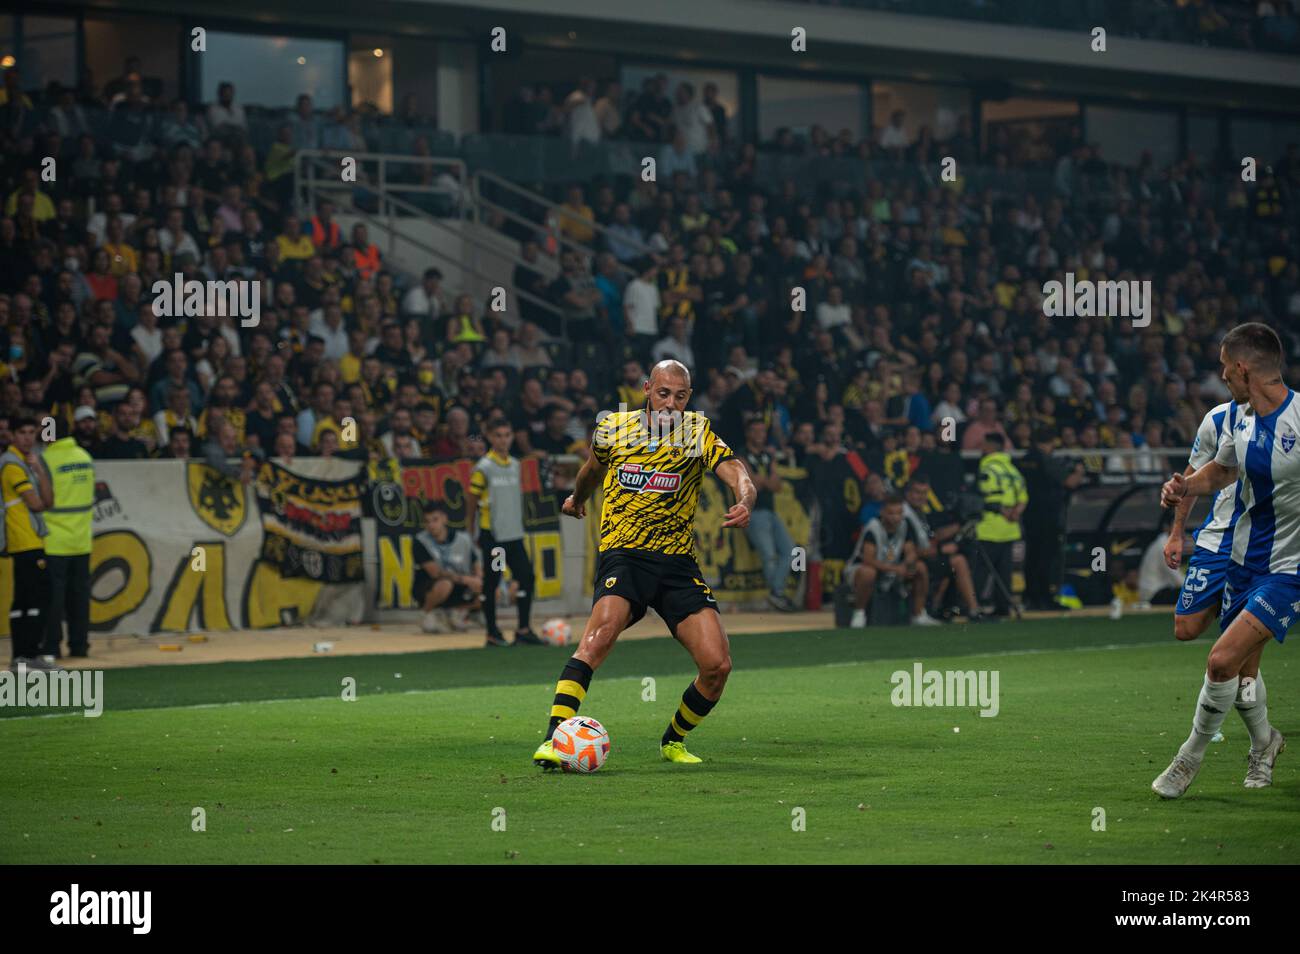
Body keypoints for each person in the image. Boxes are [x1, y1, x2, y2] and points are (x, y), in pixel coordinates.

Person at [531, 360, 755, 769]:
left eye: (680, 396)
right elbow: (592, 470)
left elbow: (735, 469)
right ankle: (552, 739)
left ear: (689, 397)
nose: (671, 403)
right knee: (597, 638)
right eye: (663, 393)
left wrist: (745, 497)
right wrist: (578, 499)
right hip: (625, 555)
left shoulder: (696, 433)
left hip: (676, 564)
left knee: (717, 666)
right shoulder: (614, 428)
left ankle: (673, 740)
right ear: (647, 389)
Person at [1154, 324, 1291, 798]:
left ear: (1243, 368)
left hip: (1288, 570)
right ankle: (1265, 744)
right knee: (1230, 663)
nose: (1221, 375)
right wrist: (1183, 487)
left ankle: (1187, 759)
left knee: (1222, 660)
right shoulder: (1241, 421)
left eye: (1224, 366)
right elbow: (1221, 471)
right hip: (1240, 560)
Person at [1164, 401, 1245, 639]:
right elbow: (1190, 479)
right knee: (1185, 627)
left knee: (1241, 625)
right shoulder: (1218, 419)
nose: (1226, 381)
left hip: (1262, 538)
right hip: (1219, 537)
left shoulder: (1290, 415)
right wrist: (1177, 533)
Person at [467, 418, 541, 647]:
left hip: (514, 535)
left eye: (507, 435)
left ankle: (523, 629)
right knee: (493, 581)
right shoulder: (484, 467)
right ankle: (492, 632)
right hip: (494, 537)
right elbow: (472, 499)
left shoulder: (515, 465)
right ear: (490, 437)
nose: (503, 440)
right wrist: (472, 529)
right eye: (498, 435)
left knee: (526, 577)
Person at [40, 416, 95, 661]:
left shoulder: (45, 460)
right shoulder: (85, 457)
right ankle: (80, 646)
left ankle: (51, 647)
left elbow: (42, 499)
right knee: (79, 598)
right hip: (82, 539)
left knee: (53, 599)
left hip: (54, 541)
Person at [2, 418, 54, 670]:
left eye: (32, 432)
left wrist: (40, 471)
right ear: (12, 435)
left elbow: (49, 501)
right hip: (24, 539)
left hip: (26, 539)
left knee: (25, 600)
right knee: (35, 599)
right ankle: (29, 655)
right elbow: (38, 504)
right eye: (22, 432)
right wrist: (39, 475)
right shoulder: (12, 465)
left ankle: (23, 657)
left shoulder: (25, 463)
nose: (28, 438)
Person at [842, 494, 936, 629]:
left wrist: (906, 566)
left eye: (899, 513)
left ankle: (918, 614)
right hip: (860, 569)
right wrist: (896, 569)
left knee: (920, 567)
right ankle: (859, 613)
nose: (896, 517)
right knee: (868, 573)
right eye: (891, 513)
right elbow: (868, 559)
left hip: (892, 570)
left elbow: (910, 552)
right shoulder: (873, 527)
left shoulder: (904, 525)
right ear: (882, 512)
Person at [1018, 430, 1085, 610]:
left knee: (1032, 557)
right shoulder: (1046, 460)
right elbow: (1070, 482)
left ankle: (1030, 597)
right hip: (1048, 515)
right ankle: (1045, 598)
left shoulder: (1024, 460)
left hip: (1029, 514)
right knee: (1046, 558)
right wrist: (1079, 471)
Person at [902, 476, 982, 623]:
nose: (921, 497)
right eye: (917, 492)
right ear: (907, 493)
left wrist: (960, 526)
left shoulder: (919, 513)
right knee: (947, 562)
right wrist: (940, 549)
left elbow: (932, 537)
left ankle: (972, 610)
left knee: (957, 559)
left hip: (925, 557)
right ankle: (922, 612)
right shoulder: (903, 514)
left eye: (924, 493)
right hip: (907, 562)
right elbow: (910, 550)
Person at [740, 416, 796, 611]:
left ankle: (775, 594)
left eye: (762, 431)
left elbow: (777, 485)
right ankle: (777, 595)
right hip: (753, 512)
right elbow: (751, 484)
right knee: (769, 555)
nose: (759, 435)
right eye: (755, 431)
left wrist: (762, 480)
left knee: (791, 551)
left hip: (771, 511)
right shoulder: (741, 455)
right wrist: (765, 480)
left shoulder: (768, 455)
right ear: (748, 433)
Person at [974, 432, 1026, 617]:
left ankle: (974, 607)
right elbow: (1023, 497)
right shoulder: (1013, 470)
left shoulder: (988, 467)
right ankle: (1003, 608)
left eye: (983, 445)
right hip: (1011, 529)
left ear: (990, 446)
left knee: (981, 571)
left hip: (989, 527)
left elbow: (987, 496)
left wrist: (1004, 512)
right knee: (1005, 572)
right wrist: (1015, 513)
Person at [412, 501, 482, 634]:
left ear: (444, 519)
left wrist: (479, 578)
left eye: (435, 520)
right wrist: (468, 580)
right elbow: (436, 573)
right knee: (445, 584)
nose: (431, 525)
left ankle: (459, 613)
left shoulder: (464, 539)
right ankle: (426, 613)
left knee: (491, 589)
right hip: (431, 586)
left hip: (462, 587)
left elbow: (477, 563)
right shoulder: (420, 541)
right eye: (427, 521)